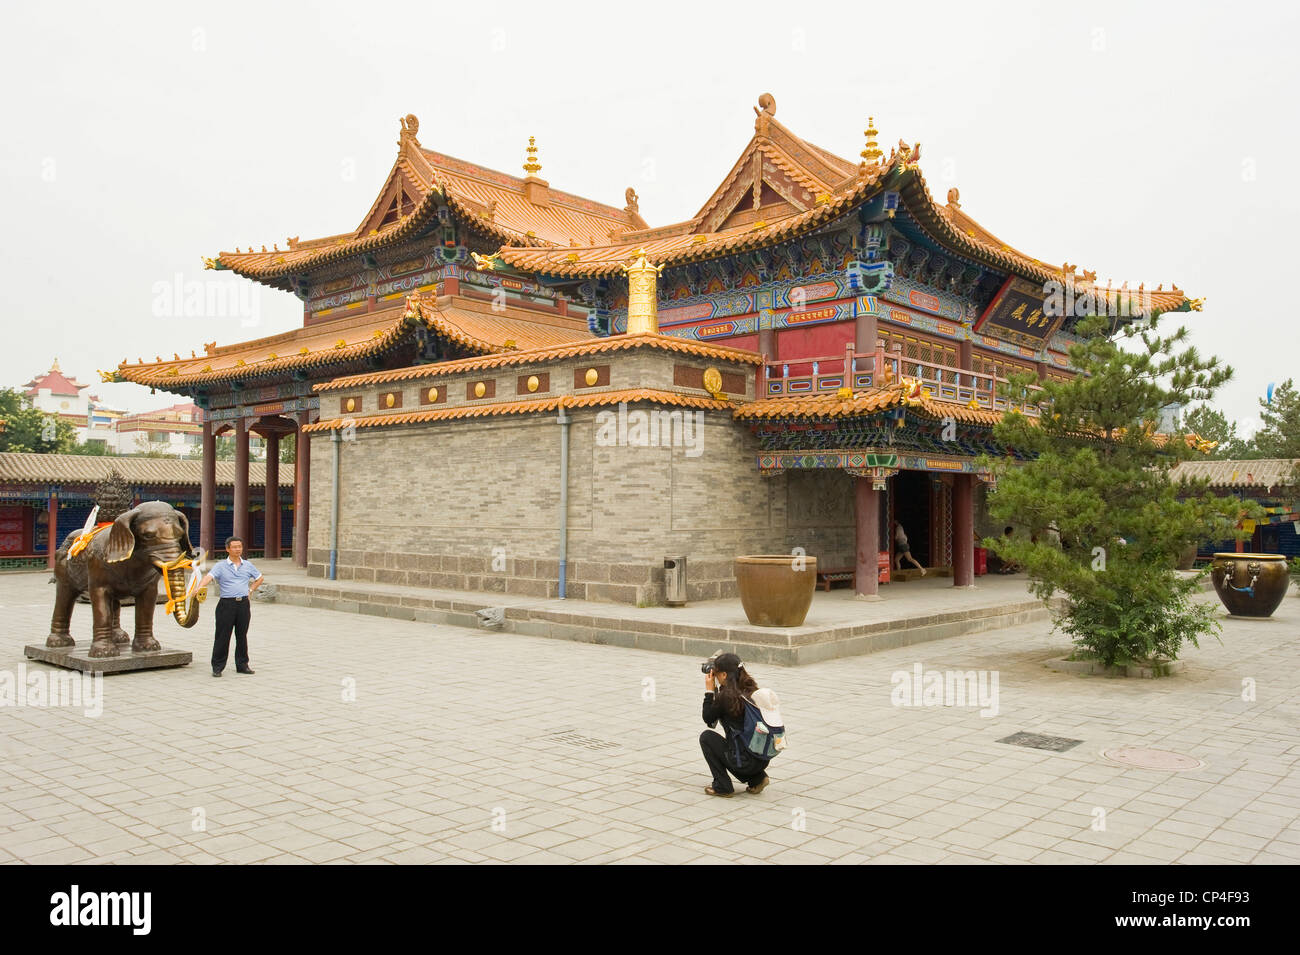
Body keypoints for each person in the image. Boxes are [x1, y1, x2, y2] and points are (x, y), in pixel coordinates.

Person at [700, 653, 776, 797]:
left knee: (706, 738)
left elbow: (708, 718)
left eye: (716, 673)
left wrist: (709, 691)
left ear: (724, 675)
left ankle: (722, 786)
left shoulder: (726, 696)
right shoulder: (751, 688)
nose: (715, 676)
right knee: (737, 747)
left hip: (744, 762)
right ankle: (757, 779)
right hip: (760, 757)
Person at [196, 536, 264, 676]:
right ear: (227, 549)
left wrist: (251, 590)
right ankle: (217, 667)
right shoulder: (220, 566)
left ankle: (242, 665)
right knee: (222, 636)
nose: (238, 549)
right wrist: (199, 587)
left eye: (240, 546)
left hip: (243, 604)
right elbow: (208, 577)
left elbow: (259, 578)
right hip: (226, 604)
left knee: (242, 635)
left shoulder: (247, 565)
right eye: (234, 547)